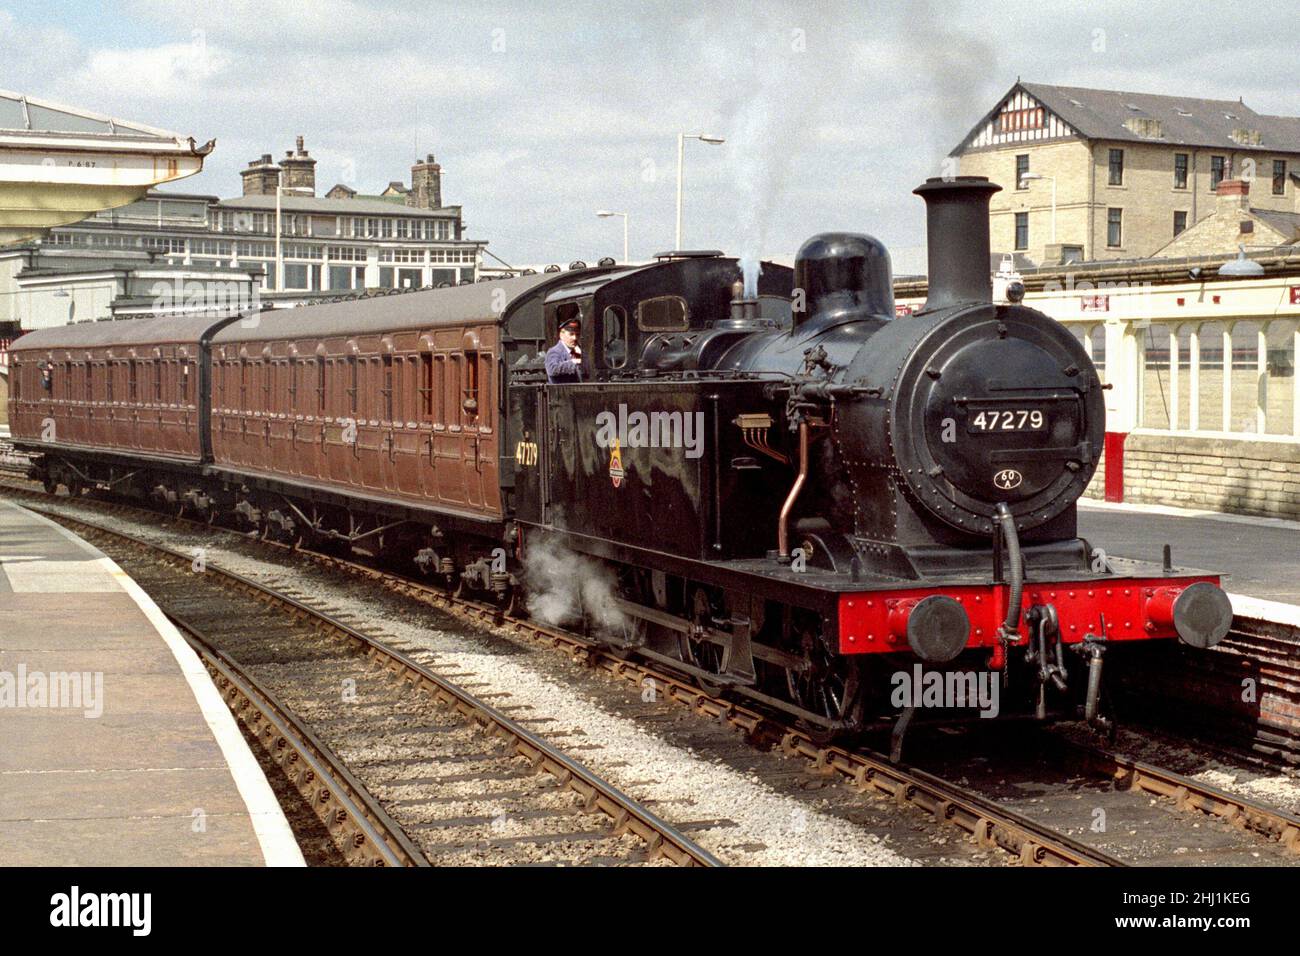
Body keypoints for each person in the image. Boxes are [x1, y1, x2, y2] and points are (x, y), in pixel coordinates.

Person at [545, 317, 584, 383]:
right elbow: (552, 369)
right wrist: (574, 362)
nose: (575, 338)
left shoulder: (579, 351)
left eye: (577, 334)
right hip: (561, 392)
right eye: (571, 334)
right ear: (561, 335)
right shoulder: (554, 351)